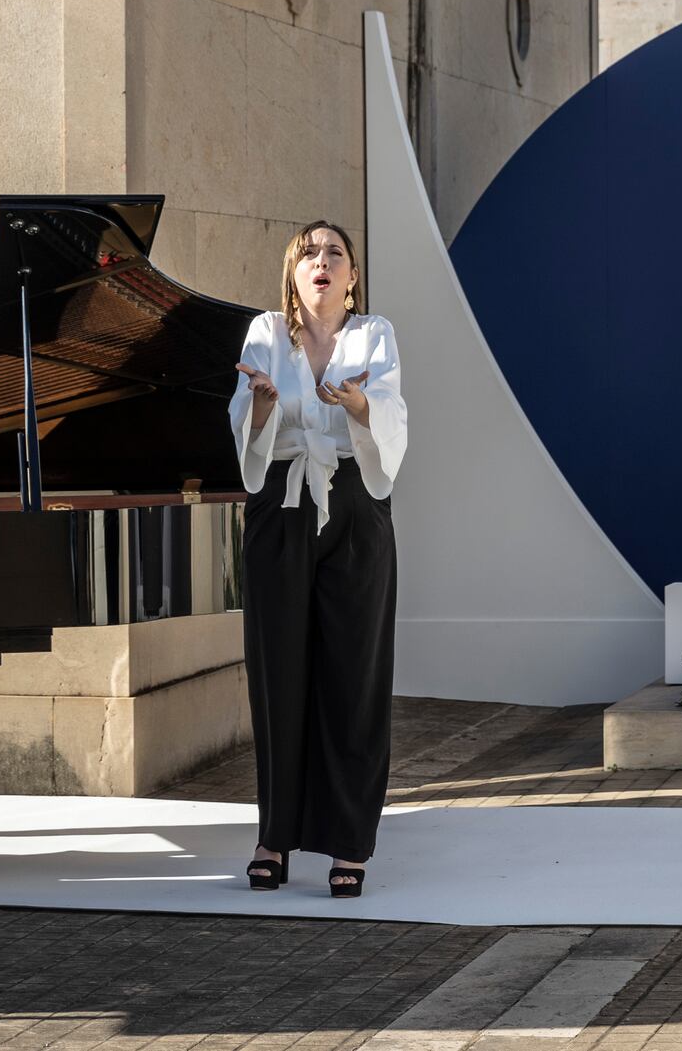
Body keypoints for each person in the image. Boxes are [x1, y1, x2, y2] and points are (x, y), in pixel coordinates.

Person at [229, 221, 407, 898]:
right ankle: (273, 835)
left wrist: (359, 404)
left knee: (353, 673)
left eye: (335, 253)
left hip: (355, 505)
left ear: (352, 276)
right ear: (293, 271)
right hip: (281, 505)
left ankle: (349, 842)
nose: (321, 261)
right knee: (277, 672)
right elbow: (243, 425)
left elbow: (390, 416)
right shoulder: (265, 333)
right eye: (309, 253)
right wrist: (261, 409)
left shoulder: (374, 334)